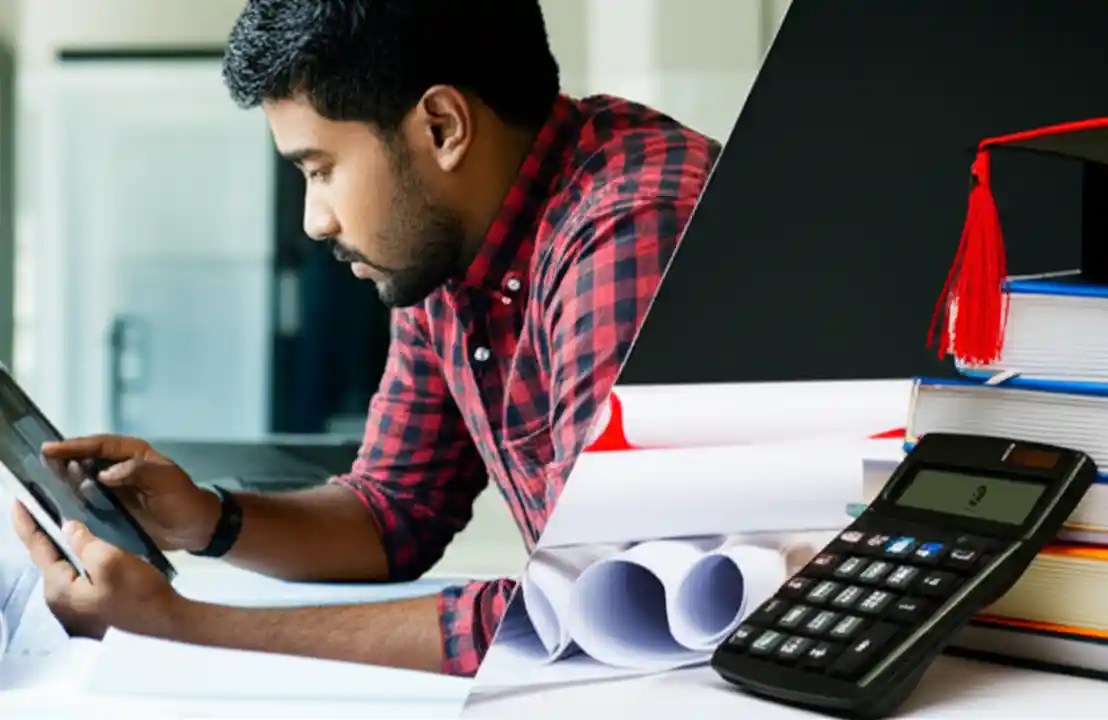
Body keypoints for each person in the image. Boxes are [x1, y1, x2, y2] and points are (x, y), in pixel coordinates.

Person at [10, 0, 717, 676]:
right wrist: (208, 521)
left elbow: (603, 604)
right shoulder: (446, 246)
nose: (315, 220)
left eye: (320, 169)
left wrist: (183, 630)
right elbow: (394, 512)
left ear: (442, 127)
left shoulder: (632, 232)